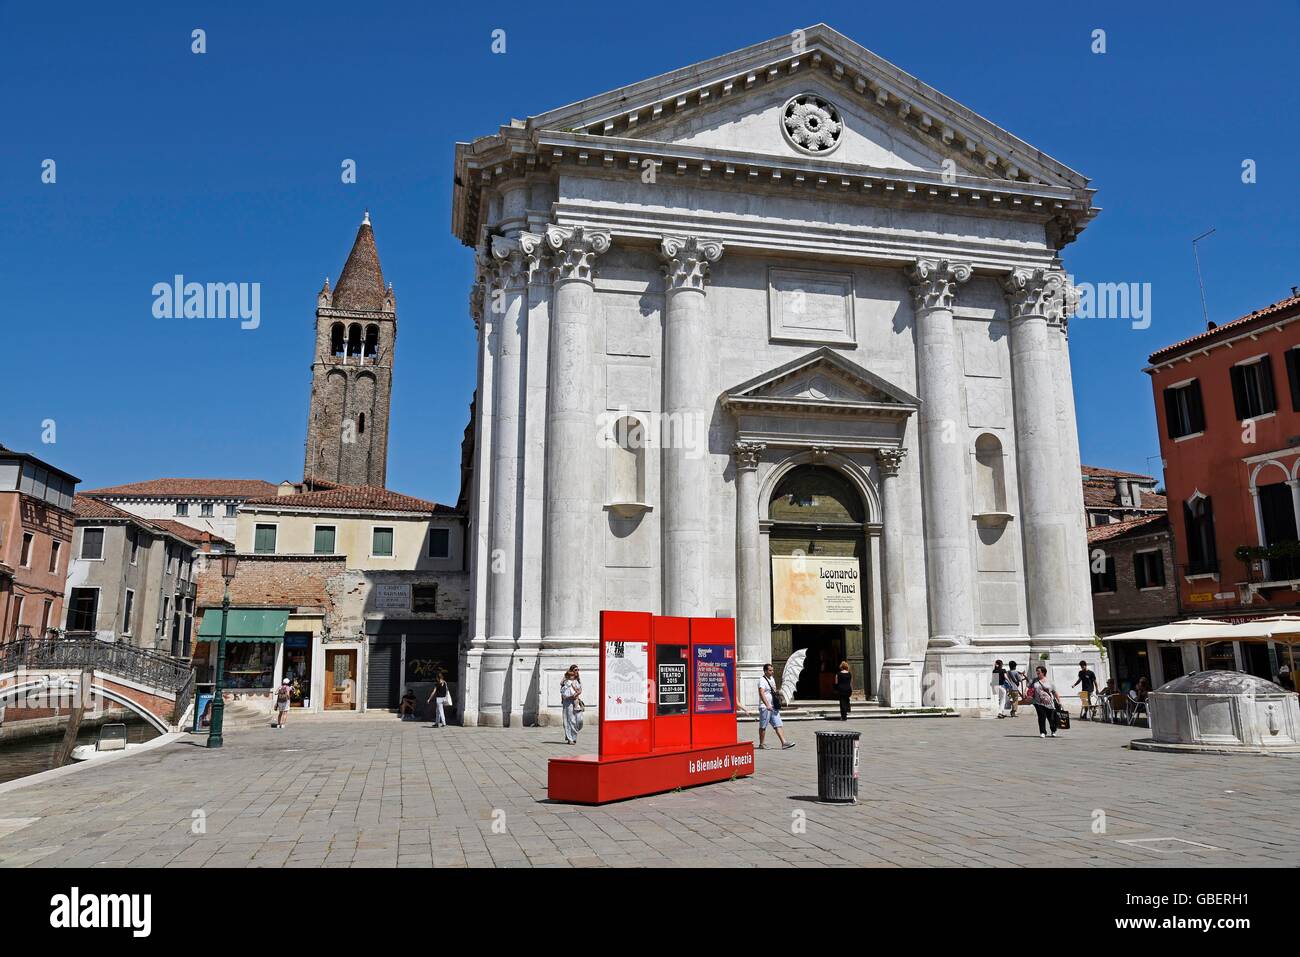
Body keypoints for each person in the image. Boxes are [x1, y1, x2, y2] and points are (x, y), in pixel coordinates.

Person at [757, 663, 795, 750]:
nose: (772, 672)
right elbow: (761, 693)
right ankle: (761, 744)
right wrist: (767, 705)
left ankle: (784, 743)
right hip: (765, 707)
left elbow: (773, 692)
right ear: (765, 671)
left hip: (773, 707)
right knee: (763, 726)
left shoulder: (772, 679)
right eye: (770, 670)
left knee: (778, 724)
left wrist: (780, 692)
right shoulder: (762, 680)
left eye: (772, 670)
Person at [1028, 665, 1062, 738]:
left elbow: (1055, 692)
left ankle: (1053, 730)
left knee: (1051, 718)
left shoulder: (1050, 682)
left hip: (1049, 703)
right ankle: (1043, 732)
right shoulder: (1034, 680)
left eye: (1039, 672)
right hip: (1038, 702)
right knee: (1041, 717)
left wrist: (1059, 701)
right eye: (1037, 671)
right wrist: (1026, 693)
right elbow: (1028, 687)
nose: (1037, 673)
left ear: (1043, 672)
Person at [560, 665, 583, 745]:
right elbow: (563, 693)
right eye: (575, 670)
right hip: (568, 702)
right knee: (569, 720)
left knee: (578, 720)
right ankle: (571, 738)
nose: (577, 671)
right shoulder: (566, 682)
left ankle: (572, 736)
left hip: (576, 702)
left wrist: (577, 693)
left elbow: (580, 690)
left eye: (577, 670)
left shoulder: (577, 681)